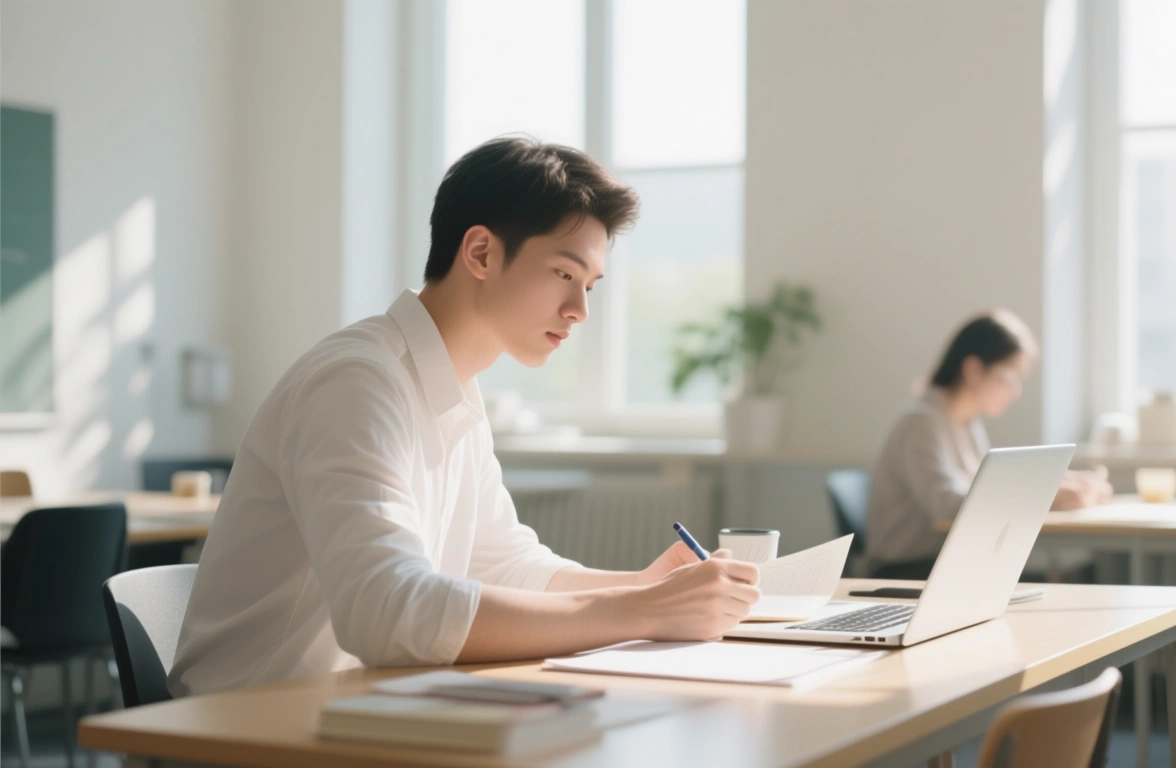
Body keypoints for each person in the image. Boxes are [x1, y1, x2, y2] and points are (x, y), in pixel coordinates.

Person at [169, 138, 761, 697]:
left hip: (357, 713)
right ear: (480, 253)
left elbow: (503, 565)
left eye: (589, 285)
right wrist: (642, 611)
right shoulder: (357, 380)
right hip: (243, 729)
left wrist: (646, 587)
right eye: (564, 273)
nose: (580, 309)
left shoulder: (454, 389)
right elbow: (385, 611)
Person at [864, 309, 1111, 580]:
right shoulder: (920, 423)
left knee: (1072, 574)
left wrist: (1062, 483)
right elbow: (949, 507)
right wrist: (1047, 496)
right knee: (1065, 580)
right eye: (1010, 377)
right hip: (907, 571)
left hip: (949, 565)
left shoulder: (965, 423)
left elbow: (985, 486)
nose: (1016, 391)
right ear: (973, 369)